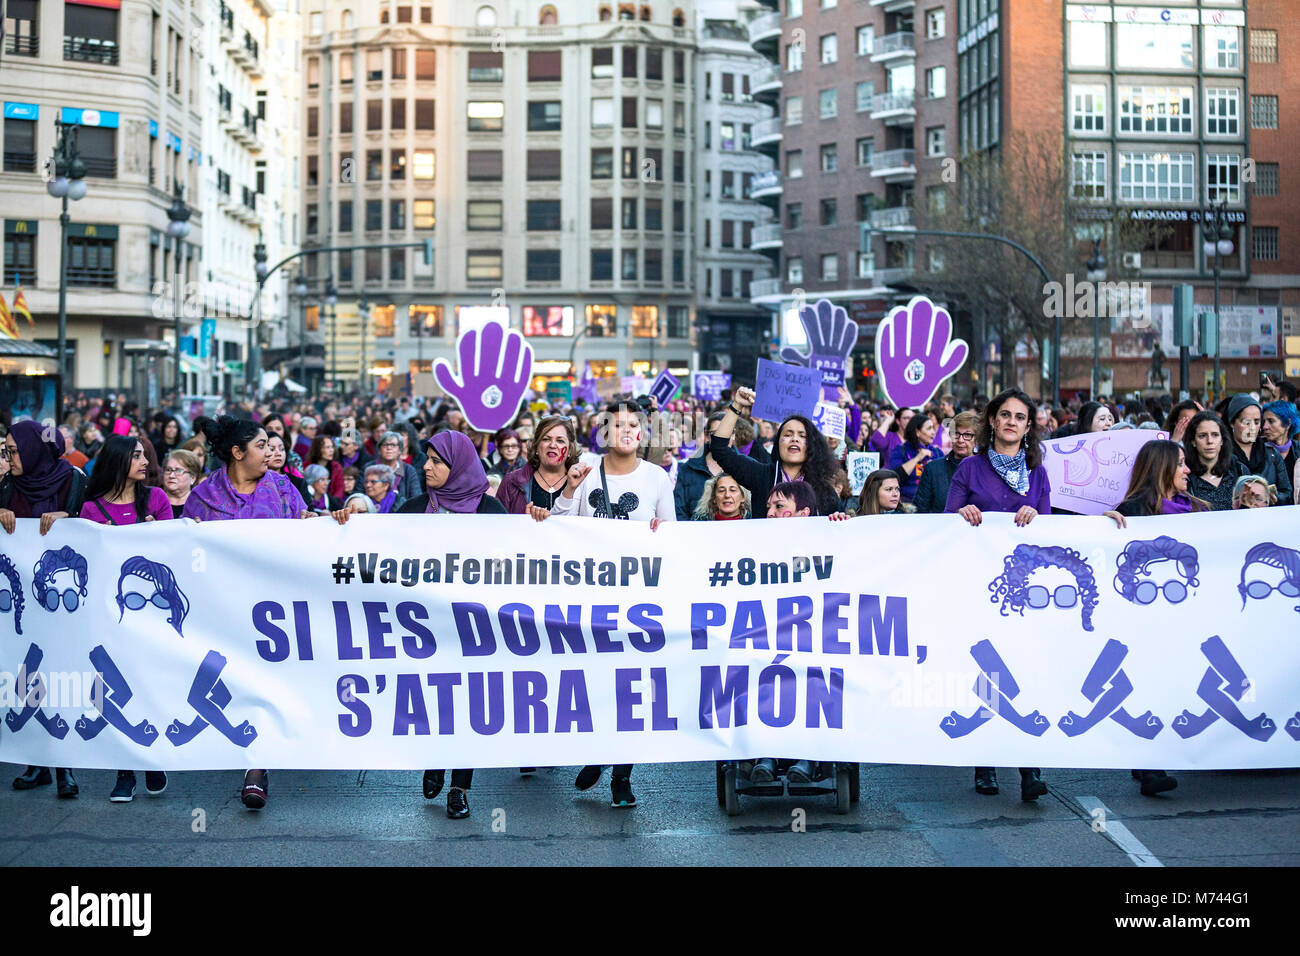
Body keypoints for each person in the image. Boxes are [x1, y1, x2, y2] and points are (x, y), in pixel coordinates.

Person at [335, 429, 504, 818]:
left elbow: (513, 563)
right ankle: (435, 759)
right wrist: (346, 525)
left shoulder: (491, 513)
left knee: (470, 704)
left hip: (472, 629)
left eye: (436, 461)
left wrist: (538, 522)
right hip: (424, 629)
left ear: (457, 465)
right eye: (425, 459)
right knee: (435, 698)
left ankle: (460, 786)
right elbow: (377, 551)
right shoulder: (412, 509)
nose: (425, 467)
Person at [538, 401, 675, 808]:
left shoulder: (657, 478)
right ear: (603, 432)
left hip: (637, 602)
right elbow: (559, 522)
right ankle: (597, 751)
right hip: (591, 600)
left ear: (644, 432)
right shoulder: (585, 471)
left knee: (632, 687)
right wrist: (567, 489)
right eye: (618, 424)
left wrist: (660, 531)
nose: (627, 430)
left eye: (634, 424)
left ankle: (621, 774)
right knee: (595, 684)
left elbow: (671, 534)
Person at [185, 415, 313, 810]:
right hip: (222, 610)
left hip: (274, 609)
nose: (270, 452)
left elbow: (306, 536)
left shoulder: (283, 488)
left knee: (266, 684)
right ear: (237, 453)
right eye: (260, 445)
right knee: (233, 685)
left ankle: (256, 769)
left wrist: (327, 523)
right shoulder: (202, 497)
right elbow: (188, 554)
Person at [944, 388, 1050, 802]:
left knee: (1025, 668)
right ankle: (985, 762)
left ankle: (1030, 769)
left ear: (1028, 427)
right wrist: (962, 514)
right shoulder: (970, 468)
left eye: (1019, 417)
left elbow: (1049, 531)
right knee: (987, 668)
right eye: (1004, 414)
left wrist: (1037, 516)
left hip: (1022, 590)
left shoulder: (1038, 473)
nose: (1010, 421)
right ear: (992, 421)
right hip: (977, 585)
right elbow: (945, 524)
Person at [1102, 439, 1209, 797]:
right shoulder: (1131, 510)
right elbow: (1107, 559)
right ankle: (1150, 767)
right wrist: (1099, 529)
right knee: (1149, 686)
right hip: (1143, 622)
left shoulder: (1197, 510)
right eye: (1180, 463)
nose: (1188, 469)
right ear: (1162, 468)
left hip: (1185, 619)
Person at [78, 435, 174, 802]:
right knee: (117, 688)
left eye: (144, 455)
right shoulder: (90, 510)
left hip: (149, 615)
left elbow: (172, 554)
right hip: (110, 615)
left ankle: (152, 758)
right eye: (136, 455)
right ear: (118, 460)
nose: (144, 461)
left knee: (148, 684)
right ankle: (124, 771)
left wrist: (158, 534)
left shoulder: (157, 500)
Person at [1, 420, 90, 798]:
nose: (9, 458)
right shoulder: (7, 486)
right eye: (6, 452)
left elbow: (93, 525)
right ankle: (37, 763)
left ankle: (63, 768)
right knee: (27, 679)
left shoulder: (73, 480)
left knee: (59, 678)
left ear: (34, 449)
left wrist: (71, 521)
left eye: (14, 451)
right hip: (24, 608)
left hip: (63, 605)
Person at [709, 386, 841, 517]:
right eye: (788, 434)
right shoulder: (761, 476)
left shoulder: (825, 491)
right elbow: (719, 449)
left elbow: (840, 526)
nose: (794, 439)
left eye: (802, 436)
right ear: (777, 443)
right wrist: (737, 405)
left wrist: (839, 519)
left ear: (812, 446)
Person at [497, 415, 580, 514]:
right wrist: (524, 521)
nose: (552, 445)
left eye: (560, 441)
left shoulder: (582, 484)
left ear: (570, 449)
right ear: (536, 446)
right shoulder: (511, 482)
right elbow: (497, 525)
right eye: (546, 439)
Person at [1224, 394, 1292, 505]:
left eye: (1256, 422)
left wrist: (1272, 497)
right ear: (1232, 423)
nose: (1252, 428)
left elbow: (1287, 492)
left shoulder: (1272, 454)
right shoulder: (1222, 455)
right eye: (1246, 422)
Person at [912, 410, 979, 514]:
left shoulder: (987, 470)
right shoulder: (933, 469)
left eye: (967, 435)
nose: (960, 440)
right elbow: (919, 511)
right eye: (956, 434)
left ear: (977, 439)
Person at [674, 412, 733, 521]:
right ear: (706, 437)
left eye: (727, 432)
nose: (722, 438)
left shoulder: (746, 469)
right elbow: (679, 511)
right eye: (715, 433)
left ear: (733, 436)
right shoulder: (688, 469)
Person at [1182, 411, 1244, 511]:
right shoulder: (1184, 476)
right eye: (1202, 435)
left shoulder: (1239, 469)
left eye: (1215, 435)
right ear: (1193, 441)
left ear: (1222, 440)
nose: (1210, 441)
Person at [888, 411, 943, 504]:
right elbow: (894, 478)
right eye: (929, 428)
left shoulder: (937, 452)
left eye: (933, 428)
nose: (933, 432)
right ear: (917, 432)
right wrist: (918, 458)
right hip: (907, 503)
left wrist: (933, 469)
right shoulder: (900, 450)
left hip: (933, 505)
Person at [374, 432, 421, 502]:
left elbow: (417, 499)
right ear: (379, 449)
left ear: (400, 450)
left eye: (393, 445)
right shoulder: (369, 468)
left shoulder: (409, 470)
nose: (389, 448)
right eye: (385, 445)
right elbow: (359, 494)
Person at [1262, 400, 1298, 486]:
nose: (1265, 427)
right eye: (1264, 421)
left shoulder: (1297, 450)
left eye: (1271, 421)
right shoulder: (1258, 449)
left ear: (1288, 423)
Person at [162, 449, 202, 518]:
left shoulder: (201, 505)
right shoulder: (154, 502)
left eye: (178, 471)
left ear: (193, 478)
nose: (171, 475)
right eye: (168, 470)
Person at [308, 434, 346, 499]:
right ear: (318, 449)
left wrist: (332, 504)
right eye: (328, 447)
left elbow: (339, 489)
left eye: (332, 447)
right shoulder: (307, 466)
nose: (332, 450)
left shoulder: (336, 467)